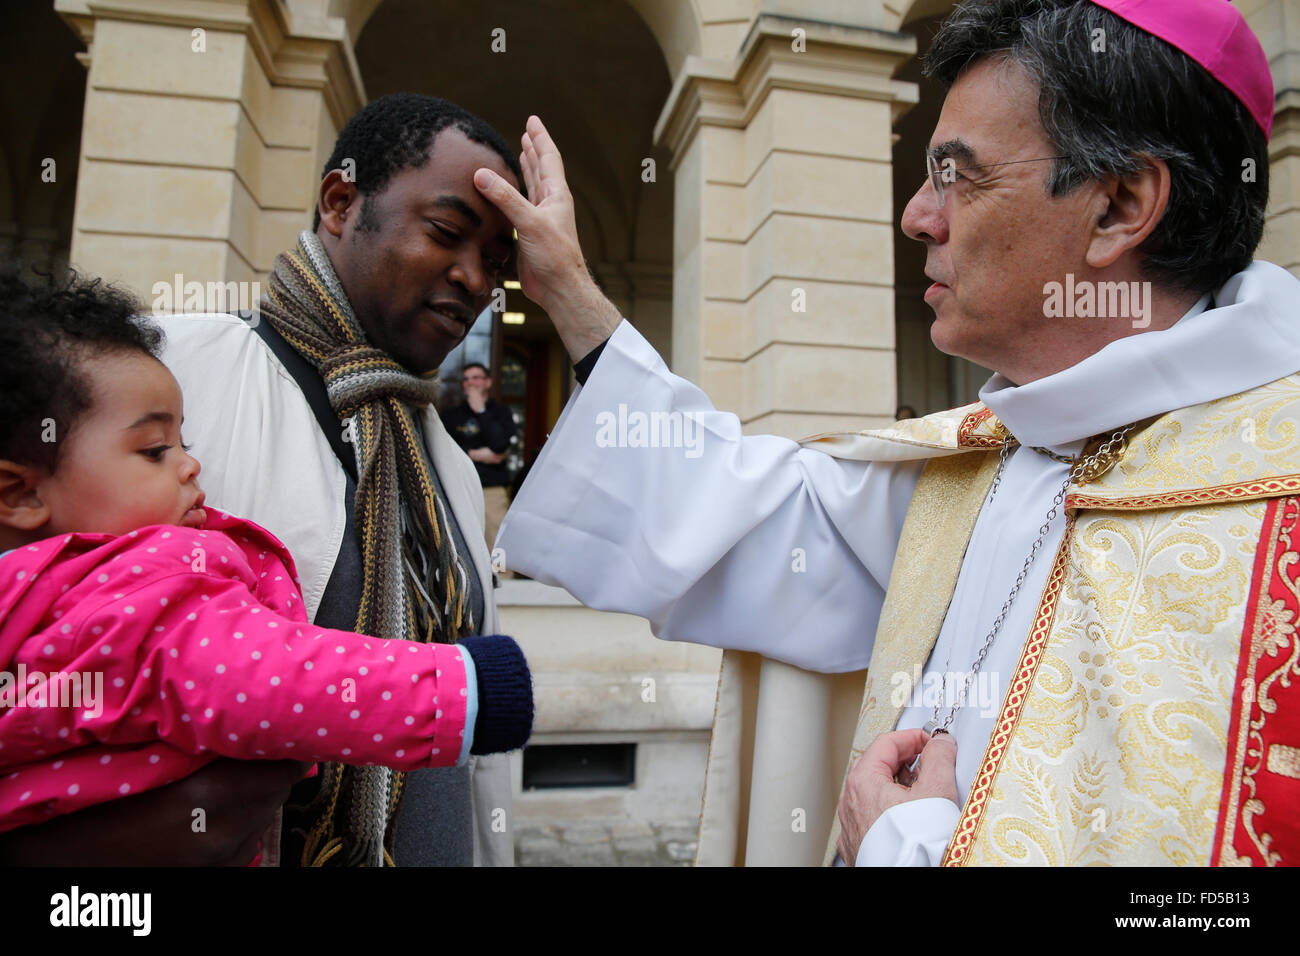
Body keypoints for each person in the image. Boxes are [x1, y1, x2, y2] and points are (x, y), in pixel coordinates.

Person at [475, 0, 1300, 866]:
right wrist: (570, 294)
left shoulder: (1270, 507)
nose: (916, 215)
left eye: (957, 176)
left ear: (1119, 205)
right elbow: (746, 519)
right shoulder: (992, 450)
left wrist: (903, 844)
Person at [0, 93, 529, 867]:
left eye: (497, 261)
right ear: (341, 202)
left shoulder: (439, 456)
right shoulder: (166, 377)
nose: (474, 277)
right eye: (448, 233)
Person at [442, 363, 517, 554]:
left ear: (488, 382)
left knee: (498, 542)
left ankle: (505, 582)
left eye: (475, 377)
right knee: (461, 542)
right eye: (466, 379)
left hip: (492, 489)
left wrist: (481, 411)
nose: (470, 382)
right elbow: (445, 450)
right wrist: (476, 454)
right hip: (459, 488)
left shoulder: (501, 412)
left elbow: (500, 444)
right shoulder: (451, 415)